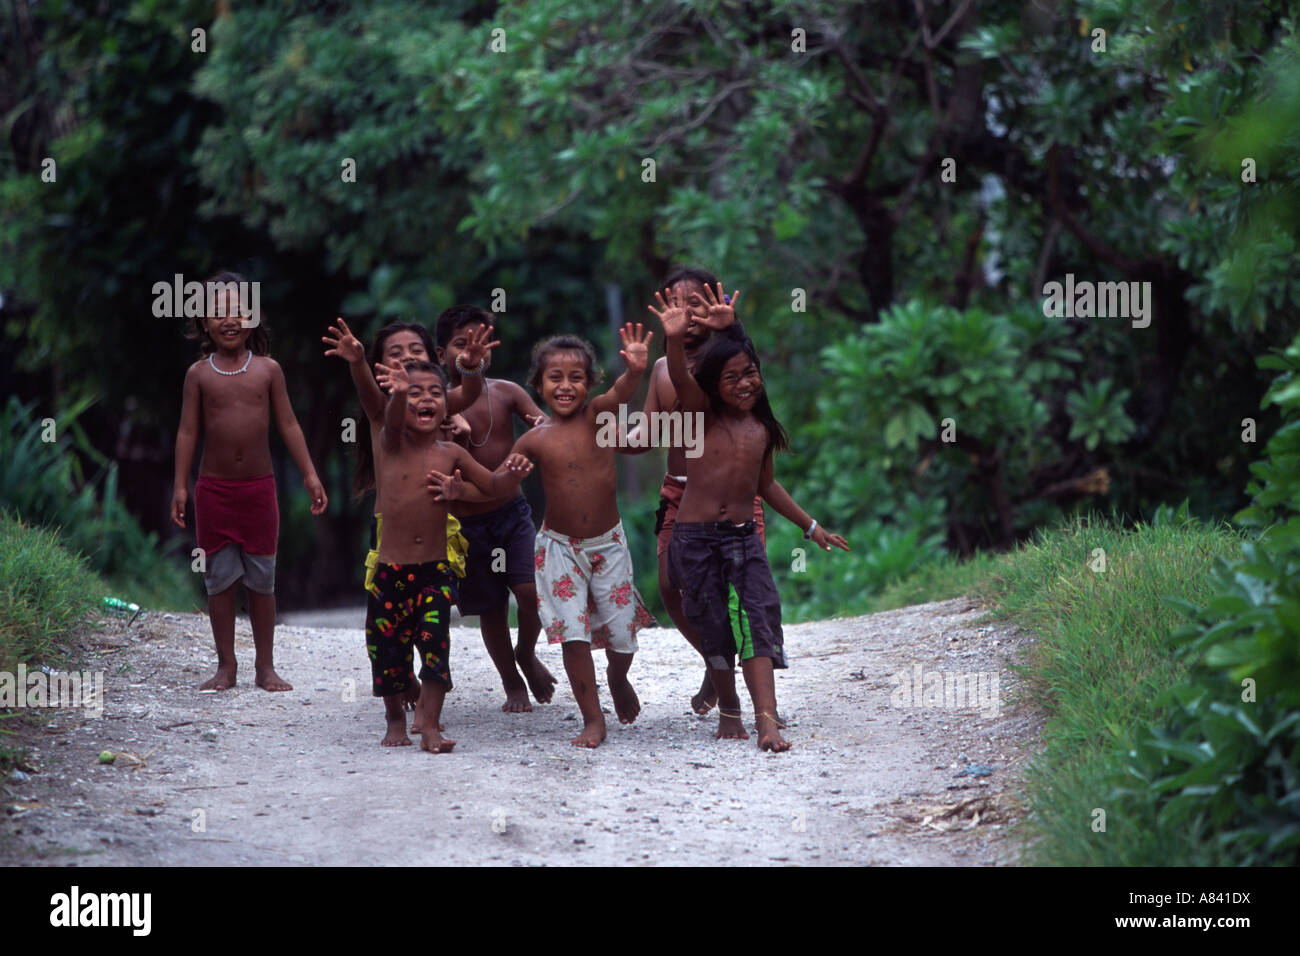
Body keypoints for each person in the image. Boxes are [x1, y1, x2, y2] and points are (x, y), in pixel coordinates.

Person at [431, 325, 656, 748]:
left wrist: (637, 370)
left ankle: (618, 677)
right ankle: (593, 719)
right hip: (559, 549)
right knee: (573, 635)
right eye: (555, 377)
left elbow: (621, 394)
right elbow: (499, 485)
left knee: (623, 638)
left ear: (590, 385)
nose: (566, 386)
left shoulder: (598, 418)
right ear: (539, 385)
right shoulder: (534, 439)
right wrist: (462, 489)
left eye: (576, 377)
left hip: (609, 545)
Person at [648, 293, 849, 752]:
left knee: (757, 623)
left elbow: (768, 487)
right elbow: (681, 375)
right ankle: (729, 709)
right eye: (731, 377)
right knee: (714, 627)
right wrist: (676, 339)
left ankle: (767, 722)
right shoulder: (699, 416)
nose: (743, 384)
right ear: (713, 384)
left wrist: (810, 525)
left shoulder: (760, 430)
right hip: (695, 541)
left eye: (750, 374)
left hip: (743, 541)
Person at [324, 316, 493, 729]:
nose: (406, 361)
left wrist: (469, 365)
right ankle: (402, 691)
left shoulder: (432, 400)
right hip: (391, 540)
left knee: (433, 621)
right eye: (394, 356)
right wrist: (358, 361)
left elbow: (467, 392)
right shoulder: (383, 415)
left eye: (415, 352)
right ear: (383, 367)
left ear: (433, 358)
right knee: (387, 629)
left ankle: (430, 700)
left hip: (437, 533)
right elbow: (367, 388)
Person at [171, 272, 327, 692]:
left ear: (254, 317)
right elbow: (187, 432)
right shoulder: (198, 375)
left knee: (262, 580)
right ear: (203, 322)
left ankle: (266, 667)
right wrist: (181, 486)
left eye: (239, 310)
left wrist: (311, 475)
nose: (229, 319)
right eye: (218, 312)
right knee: (219, 582)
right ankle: (226, 666)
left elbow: (290, 424)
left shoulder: (268, 370)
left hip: (260, 489)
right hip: (213, 491)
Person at [368, 358, 531, 750]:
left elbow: (491, 484)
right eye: (414, 393)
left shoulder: (451, 454)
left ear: (447, 405)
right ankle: (394, 720)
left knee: (436, 645)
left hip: (436, 572)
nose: (425, 399)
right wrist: (397, 393)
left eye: (435, 393)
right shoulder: (389, 443)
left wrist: (513, 474)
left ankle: (432, 727)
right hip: (391, 572)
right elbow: (390, 418)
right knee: (388, 650)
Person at [433, 305, 557, 713]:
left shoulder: (507, 392)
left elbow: (542, 425)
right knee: (489, 607)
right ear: (439, 354)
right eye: (461, 344)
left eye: (482, 342)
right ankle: (511, 683)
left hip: (511, 513)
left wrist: (545, 430)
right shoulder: (432, 407)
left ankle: (526, 653)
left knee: (529, 593)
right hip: (467, 524)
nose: (473, 352)